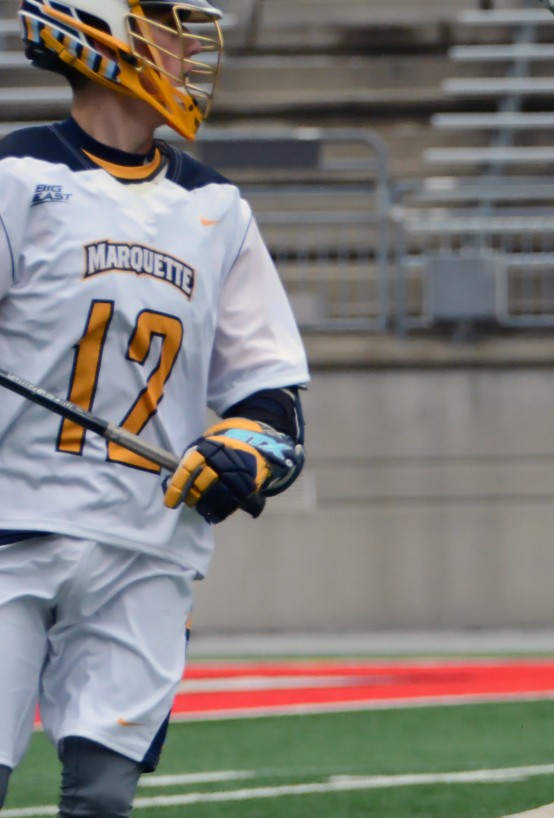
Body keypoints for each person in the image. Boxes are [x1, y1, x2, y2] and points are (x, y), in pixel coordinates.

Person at [0, 1, 309, 814]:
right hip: (12, 528)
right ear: (97, 31)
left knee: (102, 798)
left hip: (146, 542)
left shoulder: (217, 209)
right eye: (166, 26)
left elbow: (271, 400)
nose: (188, 49)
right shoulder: (19, 178)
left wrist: (242, 454)